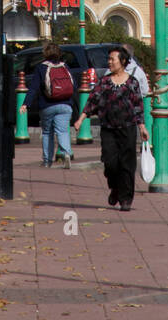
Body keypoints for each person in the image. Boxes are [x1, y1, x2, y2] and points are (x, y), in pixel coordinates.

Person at [73, 45, 147, 211]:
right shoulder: (104, 81)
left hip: (127, 128)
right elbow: (93, 100)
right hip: (108, 128)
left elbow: (138, 106)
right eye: (109, 59)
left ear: (122, 61)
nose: (109, 62)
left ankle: (126, 199)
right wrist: (81, 119)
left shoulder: (132, 82)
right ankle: (114, 188)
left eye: (112, 59)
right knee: (110, 163)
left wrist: (142, 127)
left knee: (127, 165)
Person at [20, 42, 75, 168]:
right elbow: (74, 86)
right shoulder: (64, 66)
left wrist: (26, 104)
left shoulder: (41, 67)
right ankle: (66, 153)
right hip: (66, 104)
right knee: (62, 131)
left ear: (45, 53)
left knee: (47, 132)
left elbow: (33, 88)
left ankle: (47, 161)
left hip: (47, 105)